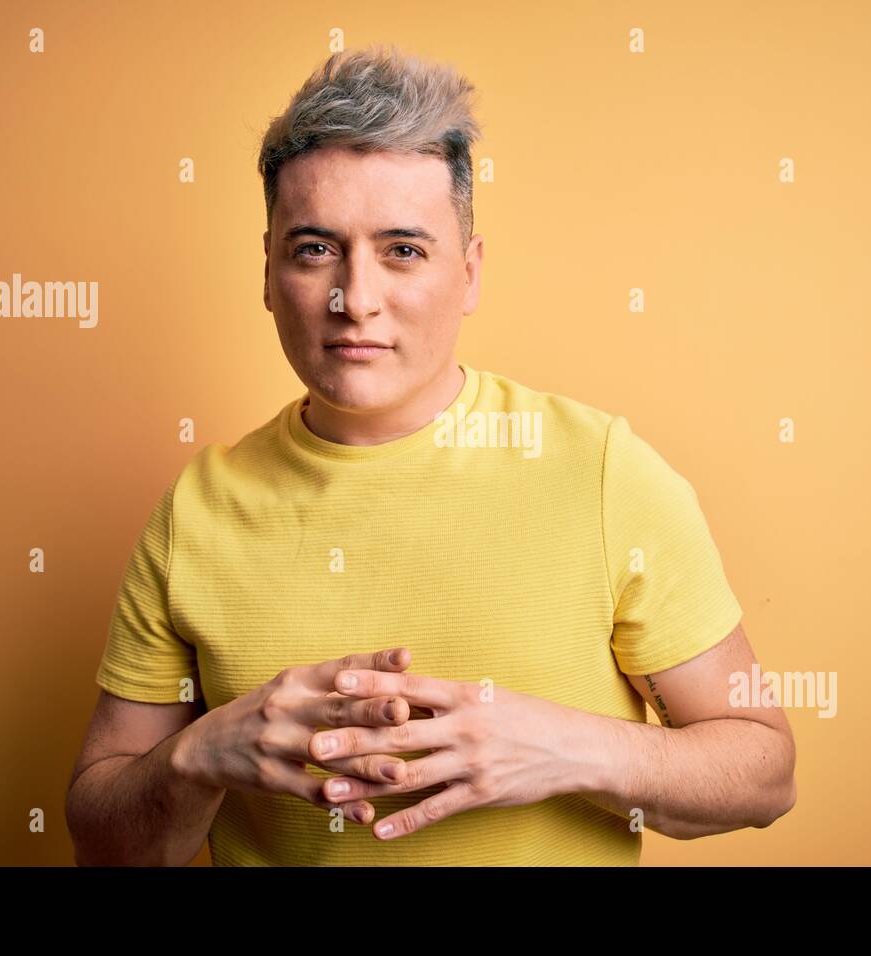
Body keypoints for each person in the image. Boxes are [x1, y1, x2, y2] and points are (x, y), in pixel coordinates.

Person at [64, 43, 796, 866]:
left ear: (471, 274)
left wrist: (567, 748)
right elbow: (106, 842)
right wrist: (200, 755)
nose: (356, 299)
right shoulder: (192, 514)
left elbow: (764, 772)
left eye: (403, 250)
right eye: (314, 249)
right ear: (268, 274)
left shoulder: (603, 474)